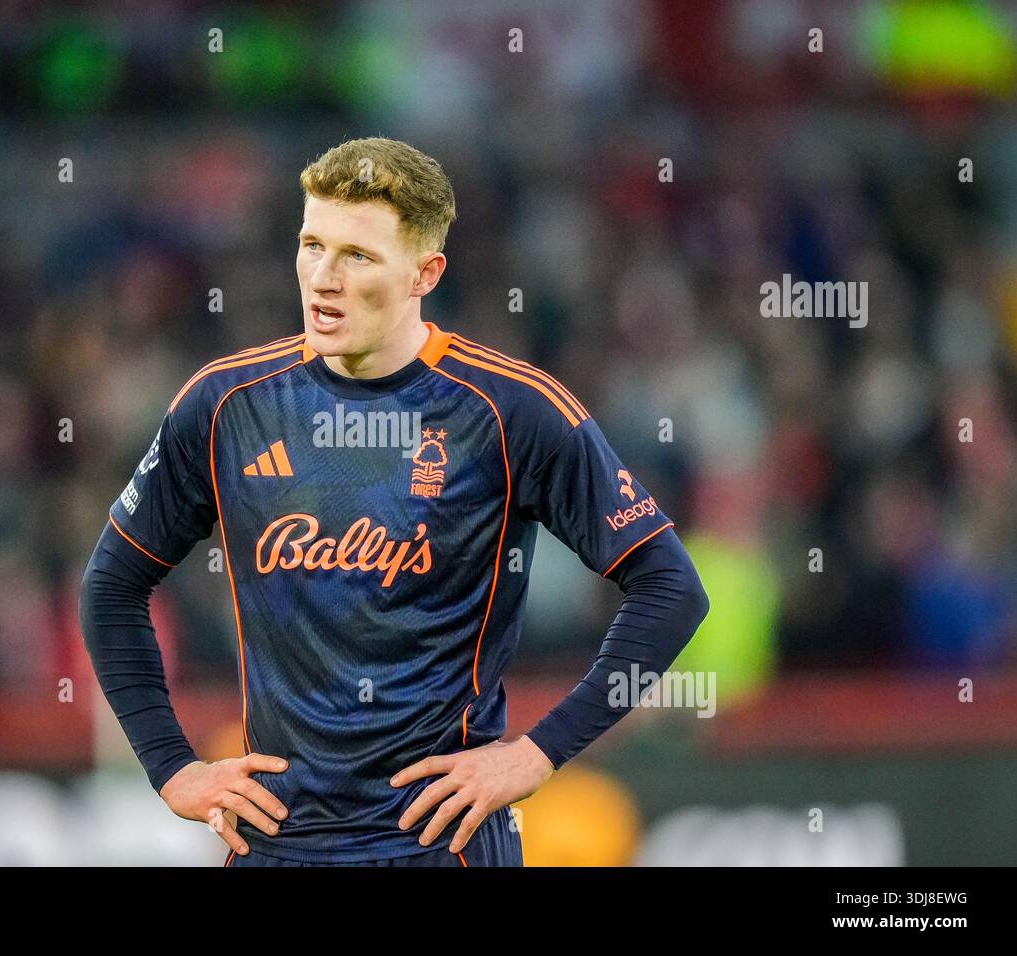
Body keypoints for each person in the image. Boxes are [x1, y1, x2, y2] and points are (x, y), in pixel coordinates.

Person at [79, 137, 709, 867]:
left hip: (445, 847)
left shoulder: (511, 410)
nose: (324, 277)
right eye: (312, 244)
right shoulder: (225, 405)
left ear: (424, 272)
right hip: (278, 847)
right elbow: (111, 586)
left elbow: (670, 587)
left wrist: (536, 756)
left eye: (358, 255)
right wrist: (172, 768)